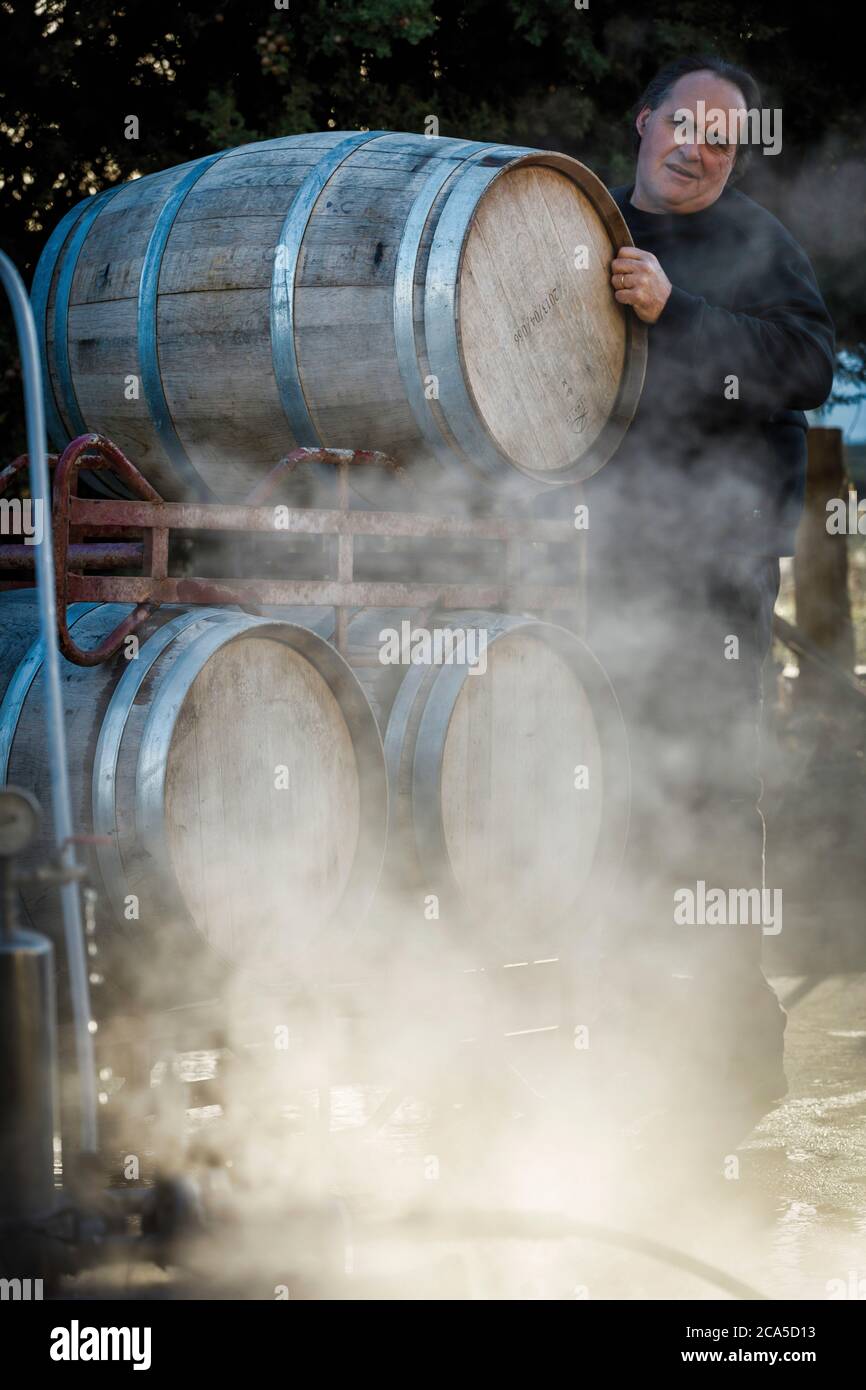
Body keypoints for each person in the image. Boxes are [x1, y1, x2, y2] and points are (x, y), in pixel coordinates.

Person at [583, 54, 836, 1120]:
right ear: (644, 123)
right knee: (604, 805)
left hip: (710, 582)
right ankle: (617, 1050)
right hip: (591, 574)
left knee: (711, 811)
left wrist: (673, 310)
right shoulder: (574, 226)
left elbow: (807, 364)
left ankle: (734, 1076)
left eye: (722, 138)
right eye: (683, 123)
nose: (698, 146)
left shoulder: (749, 243)